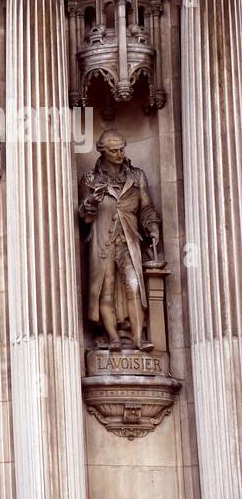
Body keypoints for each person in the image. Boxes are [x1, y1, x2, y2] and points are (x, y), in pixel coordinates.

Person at [79, 129, 162, 351]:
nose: (119, 154)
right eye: (114, 150)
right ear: (102, 151)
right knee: (104, 290)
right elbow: (84, 216)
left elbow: (146, 207)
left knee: (134, 286)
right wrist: (91, 203)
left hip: (128, 240)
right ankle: (113, 338)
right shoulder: (90, 179)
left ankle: (138, 338)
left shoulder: (137, 176)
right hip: (102, 242)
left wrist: (152, 226)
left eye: (121, 149)